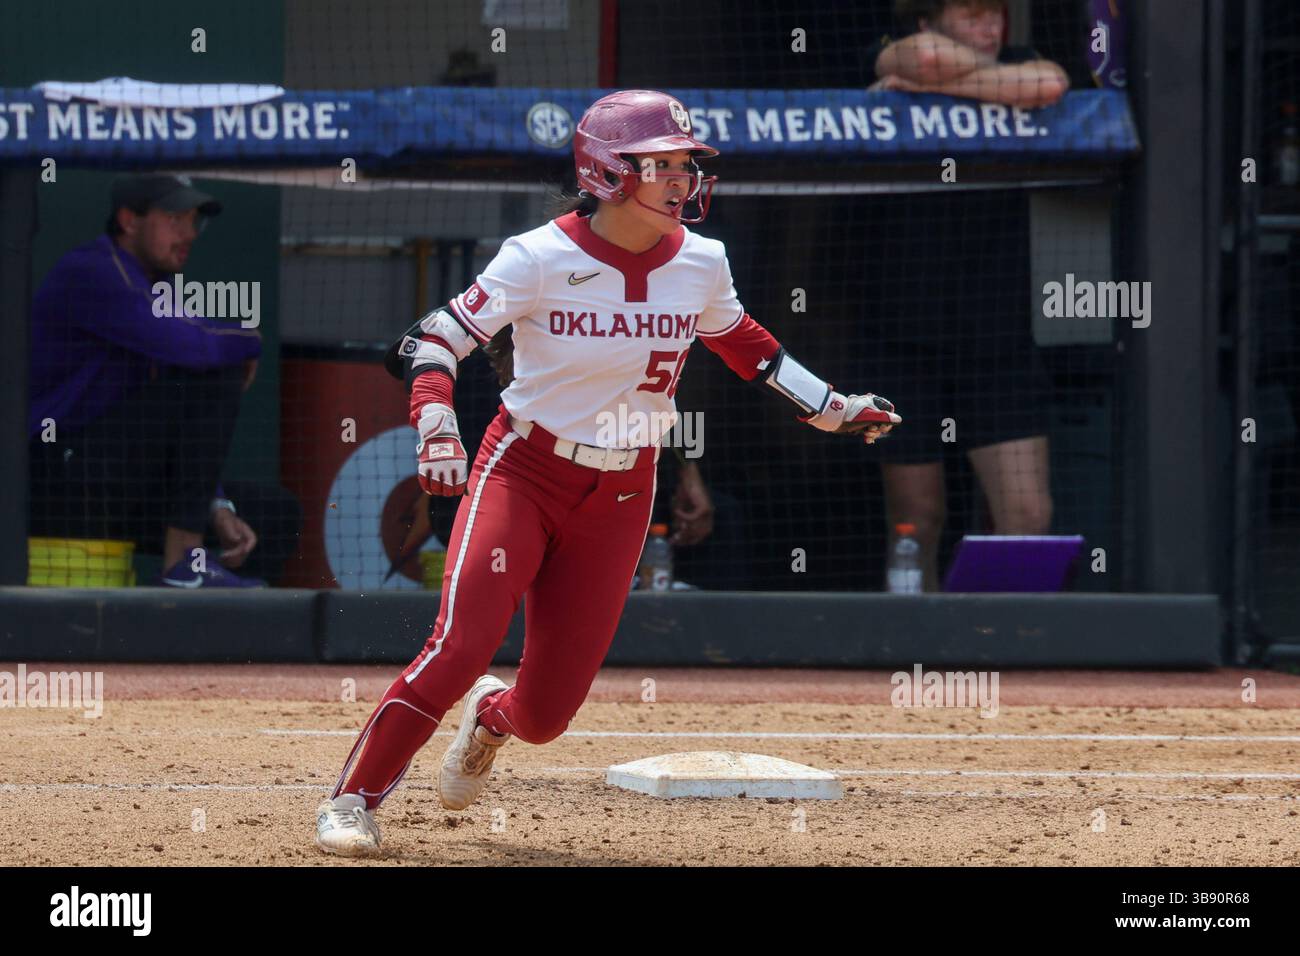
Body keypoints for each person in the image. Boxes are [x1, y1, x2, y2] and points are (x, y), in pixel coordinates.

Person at [314, 89, 902, 855]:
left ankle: (492, 718)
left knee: (548, 717)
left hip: (624, 488)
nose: (681, 181)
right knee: (461, 646)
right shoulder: (538, 255)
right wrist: (435, 425)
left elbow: (748, 346)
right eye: (661, 164)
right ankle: (353, 801)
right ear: (604, 171)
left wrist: (832, 407)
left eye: (687, 165)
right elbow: (432, 341)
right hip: (523, 468)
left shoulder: (702, 262)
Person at [861, 0, 1068, 589]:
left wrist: (951, 87)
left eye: (997, 15)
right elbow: (921, 58)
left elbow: (1050, 85)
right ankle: (914, 661)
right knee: (916, 520)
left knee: (1029, 517)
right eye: (973, 15)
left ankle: (1010, 661)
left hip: (997, 334)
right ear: (928, 20)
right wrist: (987, 87)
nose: (992, 29)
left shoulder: (1025, 61)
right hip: (902, 332)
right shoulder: (886, 46)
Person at [28, 174, 301, 587]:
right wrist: (250, 340)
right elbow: (195, 348)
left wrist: (217, 504)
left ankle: (223, 645)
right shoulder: (92, 271)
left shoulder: (159, 287)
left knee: (272, 513)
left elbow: (185, 422)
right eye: (175, 218)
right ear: (129, 220)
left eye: (194, 221)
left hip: (120, 485)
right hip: (60, 477)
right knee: (213, 369)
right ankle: (184, 561)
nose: (189, 232)